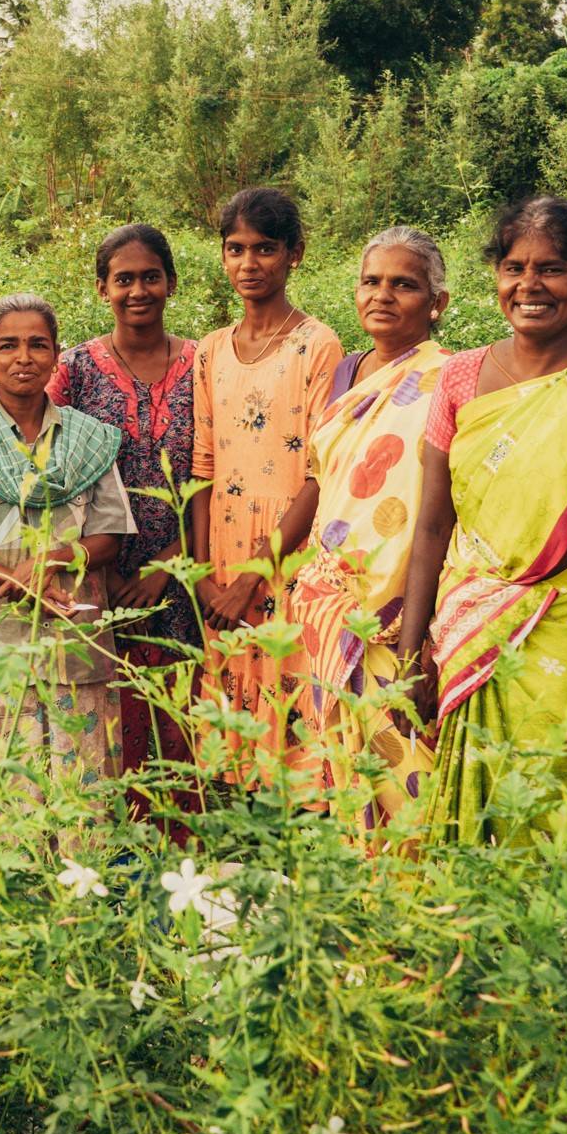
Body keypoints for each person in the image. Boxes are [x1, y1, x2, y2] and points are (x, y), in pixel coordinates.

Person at [395, 197, 567, 843]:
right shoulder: (459, 377)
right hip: (463, 623)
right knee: (462, 826)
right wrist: (410, 647)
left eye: (551, 268)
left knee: (554, 818)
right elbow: (432, 526)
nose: (528, 285)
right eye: (512, 266)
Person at [0, 294, 133, 791]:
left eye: (38, 345)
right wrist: (15, 580)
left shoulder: (91, 440)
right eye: (8, 346)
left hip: (75, 643)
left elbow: (108, 538)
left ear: (56, 355)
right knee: (0, 799)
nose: (23, 358)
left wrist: (51, 562)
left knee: (83, 796)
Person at [288, 226, 449, 835]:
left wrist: (424, 632)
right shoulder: (344, 374)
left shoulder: (451, 379)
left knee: (406, 766)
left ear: (437, 302)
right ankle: (357, 907)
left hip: (398, 609)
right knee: (339, 762)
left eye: (404, 284)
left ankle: (414, 908)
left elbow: (443, 513)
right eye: (371, 281)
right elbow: (323, 479)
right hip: (329, 605)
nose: (383, 295)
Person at [47, 223, 201, 823]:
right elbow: (41, 466)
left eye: (151, 277)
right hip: (96, 580)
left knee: (176, 722)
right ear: (101, 288)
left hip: (183, 577)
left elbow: (216, 472)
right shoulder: (75, 369)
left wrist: (168, 568)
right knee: (101, 718)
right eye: (124, 279)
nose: (138, 290)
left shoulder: (202, 362)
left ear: (171, 283)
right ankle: (112, 863)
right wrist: (88, 569)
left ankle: (179, 853)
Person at [191, 188, 343, 762]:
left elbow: (318, 474)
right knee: (230, 708)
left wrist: (254, 577)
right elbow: (202, 467)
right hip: (222, 554)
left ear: (294, 254)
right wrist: (205, 575)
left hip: (287, 552)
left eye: (265, 249)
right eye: (235, 249)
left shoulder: (317, 345)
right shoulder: (210, 350)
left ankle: (295, 836)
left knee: (289, 696)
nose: (248, 264)